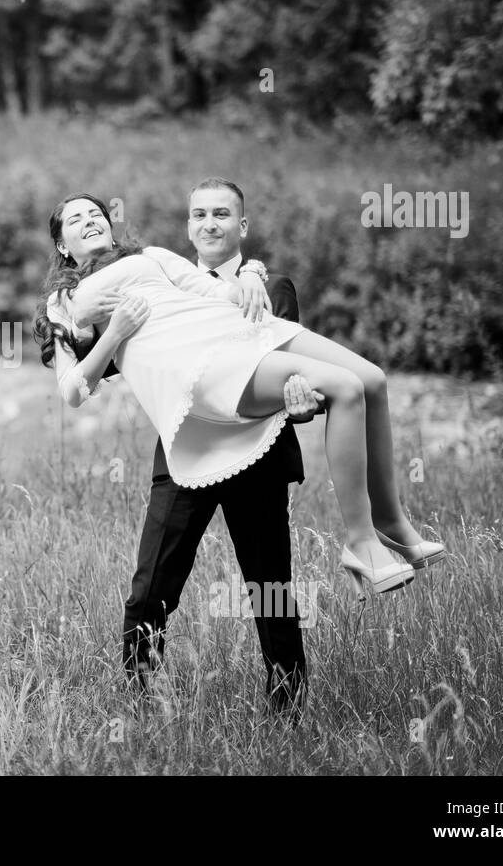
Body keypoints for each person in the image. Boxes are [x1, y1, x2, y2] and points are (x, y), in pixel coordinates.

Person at [35, 190, 445, 602]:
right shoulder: (64, 302)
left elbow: (211, 290)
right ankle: (361, 543)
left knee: (371, 379)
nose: (89, 220)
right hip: (201, 368)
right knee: (344, 387)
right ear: (61, 244)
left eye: (96, 213)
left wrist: (250, 274)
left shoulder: (152, 256)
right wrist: (115, 333)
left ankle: (391, 523)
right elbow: (73, 391)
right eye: (75, 220)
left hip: (228, 330)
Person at [79, 181, 317, 714]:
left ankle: (288, 709)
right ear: (188, 225)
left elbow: (286, 365)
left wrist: (300, 400)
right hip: (183, 453)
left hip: (257, 454)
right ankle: (139, 700)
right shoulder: (162, 287)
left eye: (221, 214)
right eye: (199, 215)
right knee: (151, 584)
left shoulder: (273, 285)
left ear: (242, 227)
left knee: (271, 588)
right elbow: (97, 361)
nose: (209, 224)